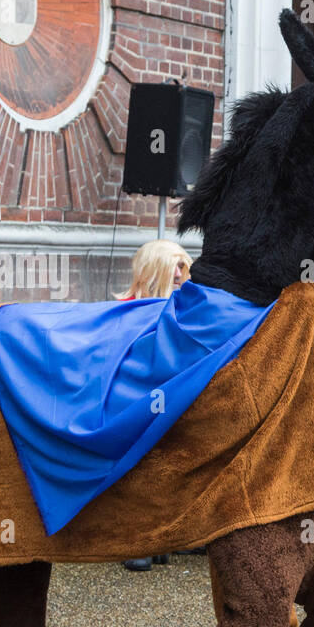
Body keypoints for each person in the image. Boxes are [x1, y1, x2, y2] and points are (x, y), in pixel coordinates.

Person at [118, 239, 193, 571]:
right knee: (140, 466)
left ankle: (171, 537)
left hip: (173, 399)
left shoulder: (185, 309)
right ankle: (137, 539)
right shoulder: (126, 310)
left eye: (182, 266)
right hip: (136, 405)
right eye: (174, 266)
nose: (180, 274)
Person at [116, 239, 191, 300]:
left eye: (181, 267)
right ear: (149, 271)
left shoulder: (186, 308)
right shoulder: (124, 310)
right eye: (169, 268)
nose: (178, 274)